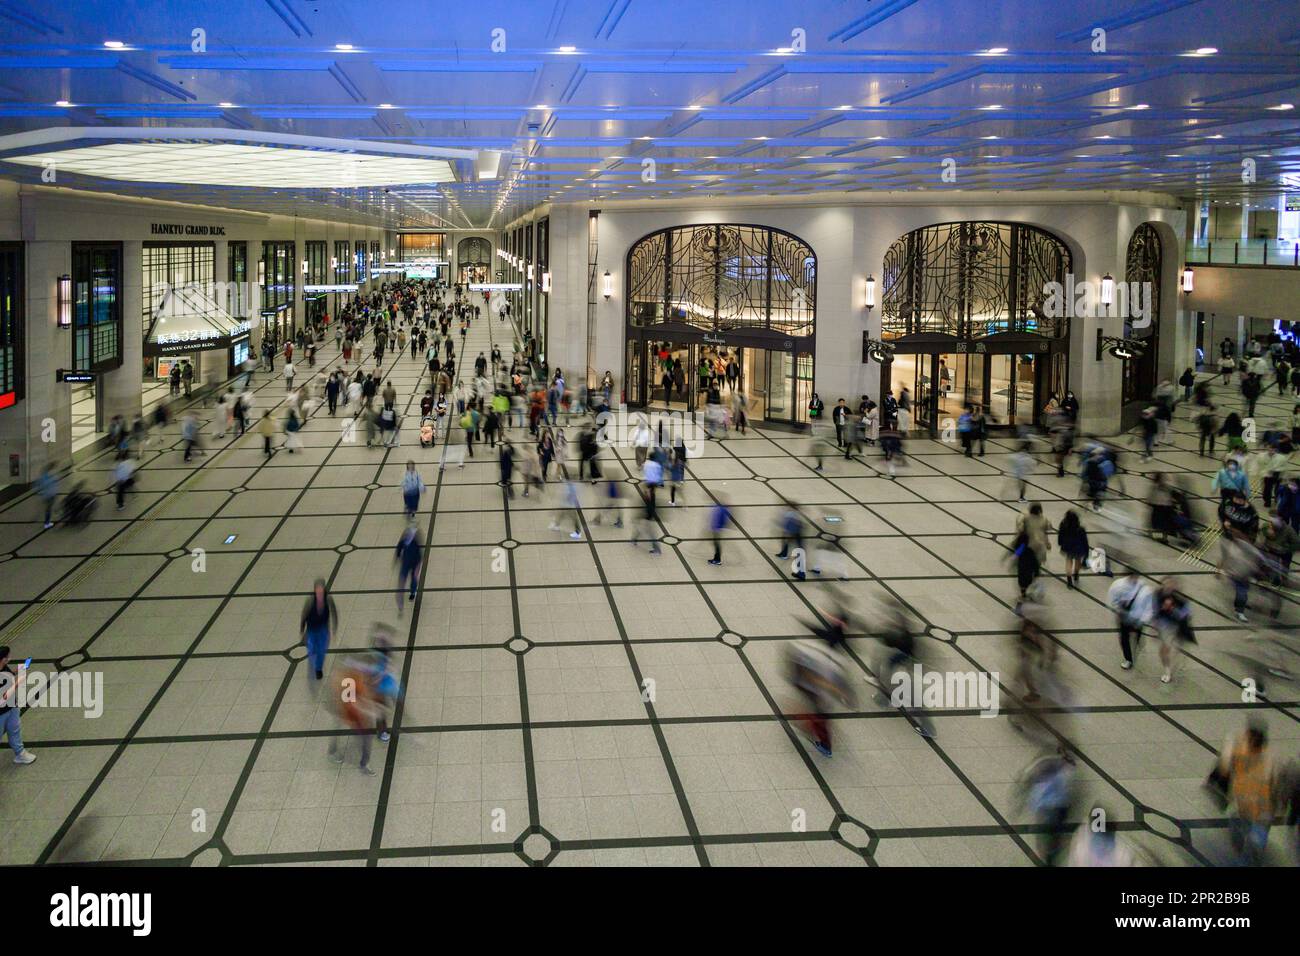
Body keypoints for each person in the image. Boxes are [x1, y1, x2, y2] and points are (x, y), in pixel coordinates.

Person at [1218, 721, 1276, 865]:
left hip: (1256, 811)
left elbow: (1224, 768)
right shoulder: (1261, 753)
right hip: (1249, 809)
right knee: (1245, 844)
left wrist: (1229, 746)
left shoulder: (1260, 755)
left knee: (1251, 847)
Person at [0, 647, 35, 765]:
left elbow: (8, 676)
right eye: (8, 656)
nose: (10, 658)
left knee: (14, 730)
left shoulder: (3, 667)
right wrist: (18, 682)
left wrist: (18, 670)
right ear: (3, 659)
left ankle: (20, 753)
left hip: (12, 707)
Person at [300, 579, 338, 681]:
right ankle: (314, 659)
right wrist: (302, 629)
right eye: (317, 590)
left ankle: (318, 668)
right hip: (312, 628)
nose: (319, 593)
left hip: (323, 628)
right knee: (312, 649)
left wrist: (334, 629)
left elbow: (334, 613)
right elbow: (304, 615)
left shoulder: (328, 599)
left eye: (321, 590)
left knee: (321, 650)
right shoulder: (310, 600)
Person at [394, 523, 423, 615]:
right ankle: (400, 604)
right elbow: (398, 549)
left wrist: (417, 568)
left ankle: (413, 592)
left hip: (414, 564)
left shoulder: (415, 543)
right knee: (402, 581)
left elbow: (419, 556)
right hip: (405, 563)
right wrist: (397, 557)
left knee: (414, 579)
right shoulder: (403, 541)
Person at [1056, 509, 1089, 589]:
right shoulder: (1080, 529)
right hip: (1078, 548)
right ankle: (1076, 574)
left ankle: (1069, 581)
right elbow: (1085, 541)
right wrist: (1086, 553)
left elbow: (1060, 535)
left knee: (1068, 562)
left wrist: (1060, 543)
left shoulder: (1063, 525)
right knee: (1078, 562)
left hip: (1068, 547)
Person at [707, 498, 731, 566]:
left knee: (716, 544)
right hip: (716, 529)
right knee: (716, 544)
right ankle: (716, 558)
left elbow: (722, 520)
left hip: (717, 530)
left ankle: (717, 560)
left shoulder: (722, 510)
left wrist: (717, 527)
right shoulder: (721, 509)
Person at [35, 462, 58, 529]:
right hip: (50, 495)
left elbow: (38, 484)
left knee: (49, 508)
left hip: (47, 495)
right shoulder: (50, 476)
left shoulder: (44, 476)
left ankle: (48, 519)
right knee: (48, 509)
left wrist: (39, 491)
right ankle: (47, 523)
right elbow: (49, 485)